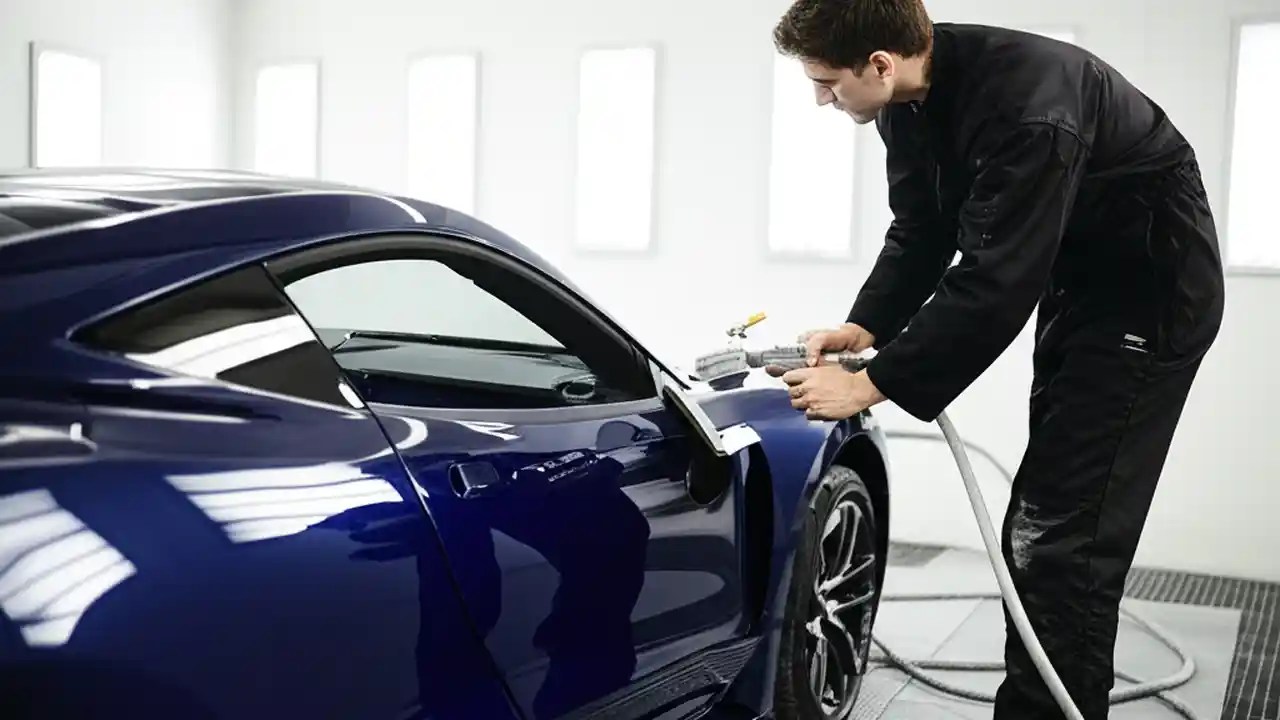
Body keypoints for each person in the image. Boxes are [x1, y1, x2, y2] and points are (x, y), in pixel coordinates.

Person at [768, 1, 1225, 718]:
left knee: (1061, 537)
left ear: (879, 65)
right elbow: (923, 226)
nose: (820, 98)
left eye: (826, 81)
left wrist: (873, 388)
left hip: (1150, 297)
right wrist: (867, 325)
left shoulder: (1028, 110)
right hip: (1083, 289)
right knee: (1045, 519)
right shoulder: (909, 102)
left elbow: (995, 282)